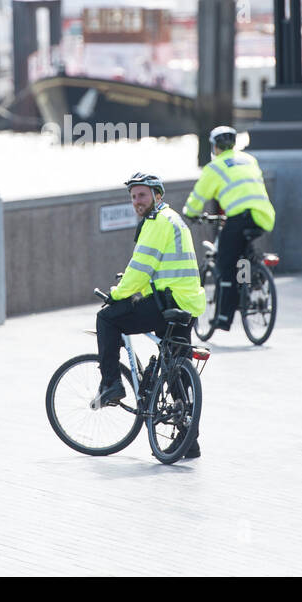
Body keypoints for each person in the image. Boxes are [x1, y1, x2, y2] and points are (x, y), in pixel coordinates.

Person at [96, 173, 206, 457]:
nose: (136, 202)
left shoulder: (156, 222)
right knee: (176, 367)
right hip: (188, 303)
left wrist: (117, 293)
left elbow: (142, 266)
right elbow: (157, 267)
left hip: (168, 301)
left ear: (158, 195)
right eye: (133, 197)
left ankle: (111, 384)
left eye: (142, 195)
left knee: (108, 318)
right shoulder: (174, 218)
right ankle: (188, 441)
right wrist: (135, 288)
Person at [182, 126, 276, 331]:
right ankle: (253, 280)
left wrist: (190, 212)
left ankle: (223, 318)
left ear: (214, 147)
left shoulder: (214, 168)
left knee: (225, 265)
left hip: (240, 217)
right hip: (263, 216)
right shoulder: (249, 160)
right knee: (242, 253)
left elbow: (198, 198)